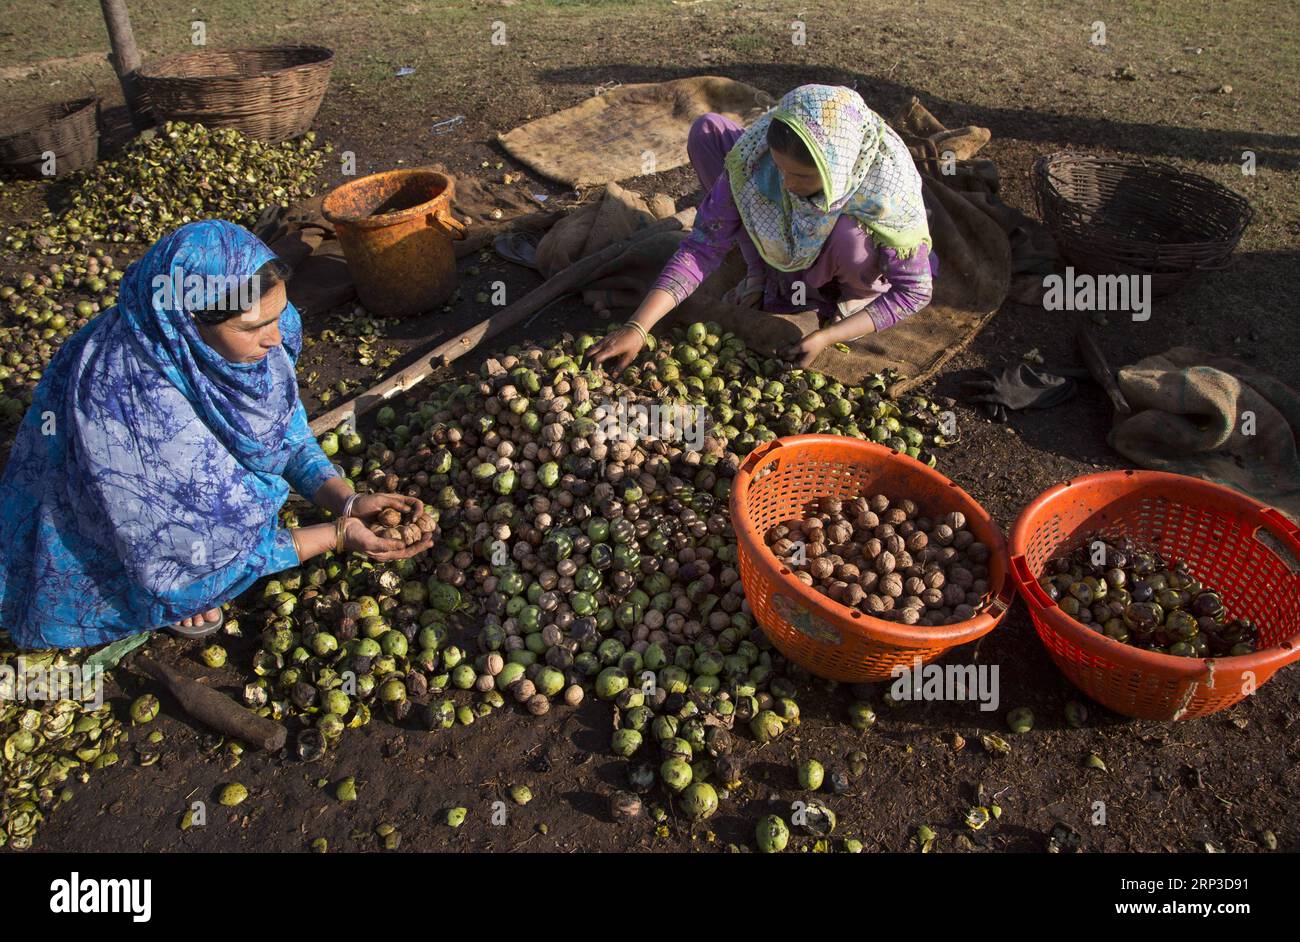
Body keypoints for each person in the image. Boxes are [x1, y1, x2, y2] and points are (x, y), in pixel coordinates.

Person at [0, 220, 430, 651]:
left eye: (278, 315)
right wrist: (335, 535)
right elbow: (177, 547)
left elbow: (284, 433)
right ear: (189, 324)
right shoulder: (135, 407)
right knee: (183, 574)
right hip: (121, 527)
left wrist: (346, 501)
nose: (275, 338)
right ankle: (177, 594)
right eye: (252, 328)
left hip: (179, 487)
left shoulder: (257, 338)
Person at [588, 84, 936, 370]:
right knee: (709, 131)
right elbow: (702, 247)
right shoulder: (756, 158)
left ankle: (851, 297)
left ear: (836, 172)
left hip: (846, 257)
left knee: (851, 240)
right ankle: (763, 266)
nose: (787, 184)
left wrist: (827, 337)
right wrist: (638, 326)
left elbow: (915, 292)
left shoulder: (886, 191)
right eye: (780, 169)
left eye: (801, 177)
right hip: (790, 236)